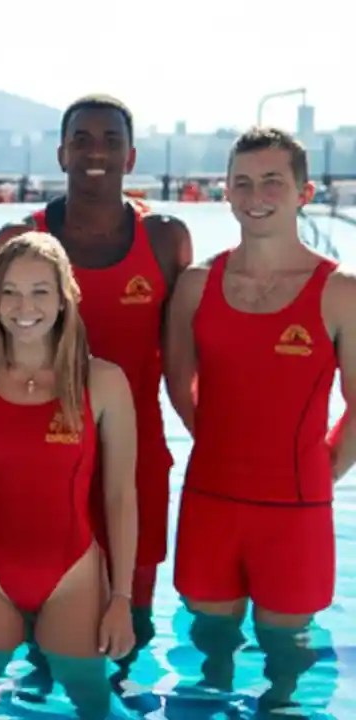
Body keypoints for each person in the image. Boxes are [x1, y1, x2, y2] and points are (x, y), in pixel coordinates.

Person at [0, 94, 192, 692]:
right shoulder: (22, 239)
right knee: (40, 624)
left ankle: (125, 696)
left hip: (139, 462)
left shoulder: (164, 241)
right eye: (82, 139)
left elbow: (185, 359)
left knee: (130, 618)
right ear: (62, 152)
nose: (96, 151)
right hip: (43, 459)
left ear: (131, 156)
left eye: (110, 140)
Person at [165, 127, 355, 712]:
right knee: (207, 663)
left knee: (287, 671)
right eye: (242, 182)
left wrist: (322, 467)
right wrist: (222, 443)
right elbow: (177, 383)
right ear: (226, 192)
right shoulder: (198, 285)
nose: (257, 194)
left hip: (295, 510)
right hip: (210, 500)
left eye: (273, 180)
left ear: (304, 191)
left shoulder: (338, 292)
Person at [0, 231, 138, 718]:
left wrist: (122, 598)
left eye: (39, 291)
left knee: (91, 699)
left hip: (73, 569)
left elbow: (119, 495)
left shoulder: (103, 382)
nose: (22, 305)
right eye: (8, 291)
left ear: (64, 298)